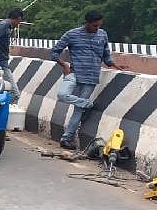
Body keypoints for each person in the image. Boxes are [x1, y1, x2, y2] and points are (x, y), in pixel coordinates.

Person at [52, 11, 127, 150]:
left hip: (91, 77)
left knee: (78, 110)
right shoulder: (72, 34)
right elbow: (55, 52)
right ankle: (88, 104)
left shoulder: (102, 34)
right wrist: (63, 65)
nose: (96, 28)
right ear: (86, 23)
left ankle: (67, 138)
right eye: (94, 26)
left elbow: (105, 54)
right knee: (62, 95)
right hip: (74, 74)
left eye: (99, 26)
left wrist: (114, 64)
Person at [0, 9, 23, 102]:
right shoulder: (3, 26)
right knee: (15, 94)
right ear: (17, 19)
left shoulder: (6, 26)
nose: (18, 24)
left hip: (1, 61)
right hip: (0, 63)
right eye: (19, 21)